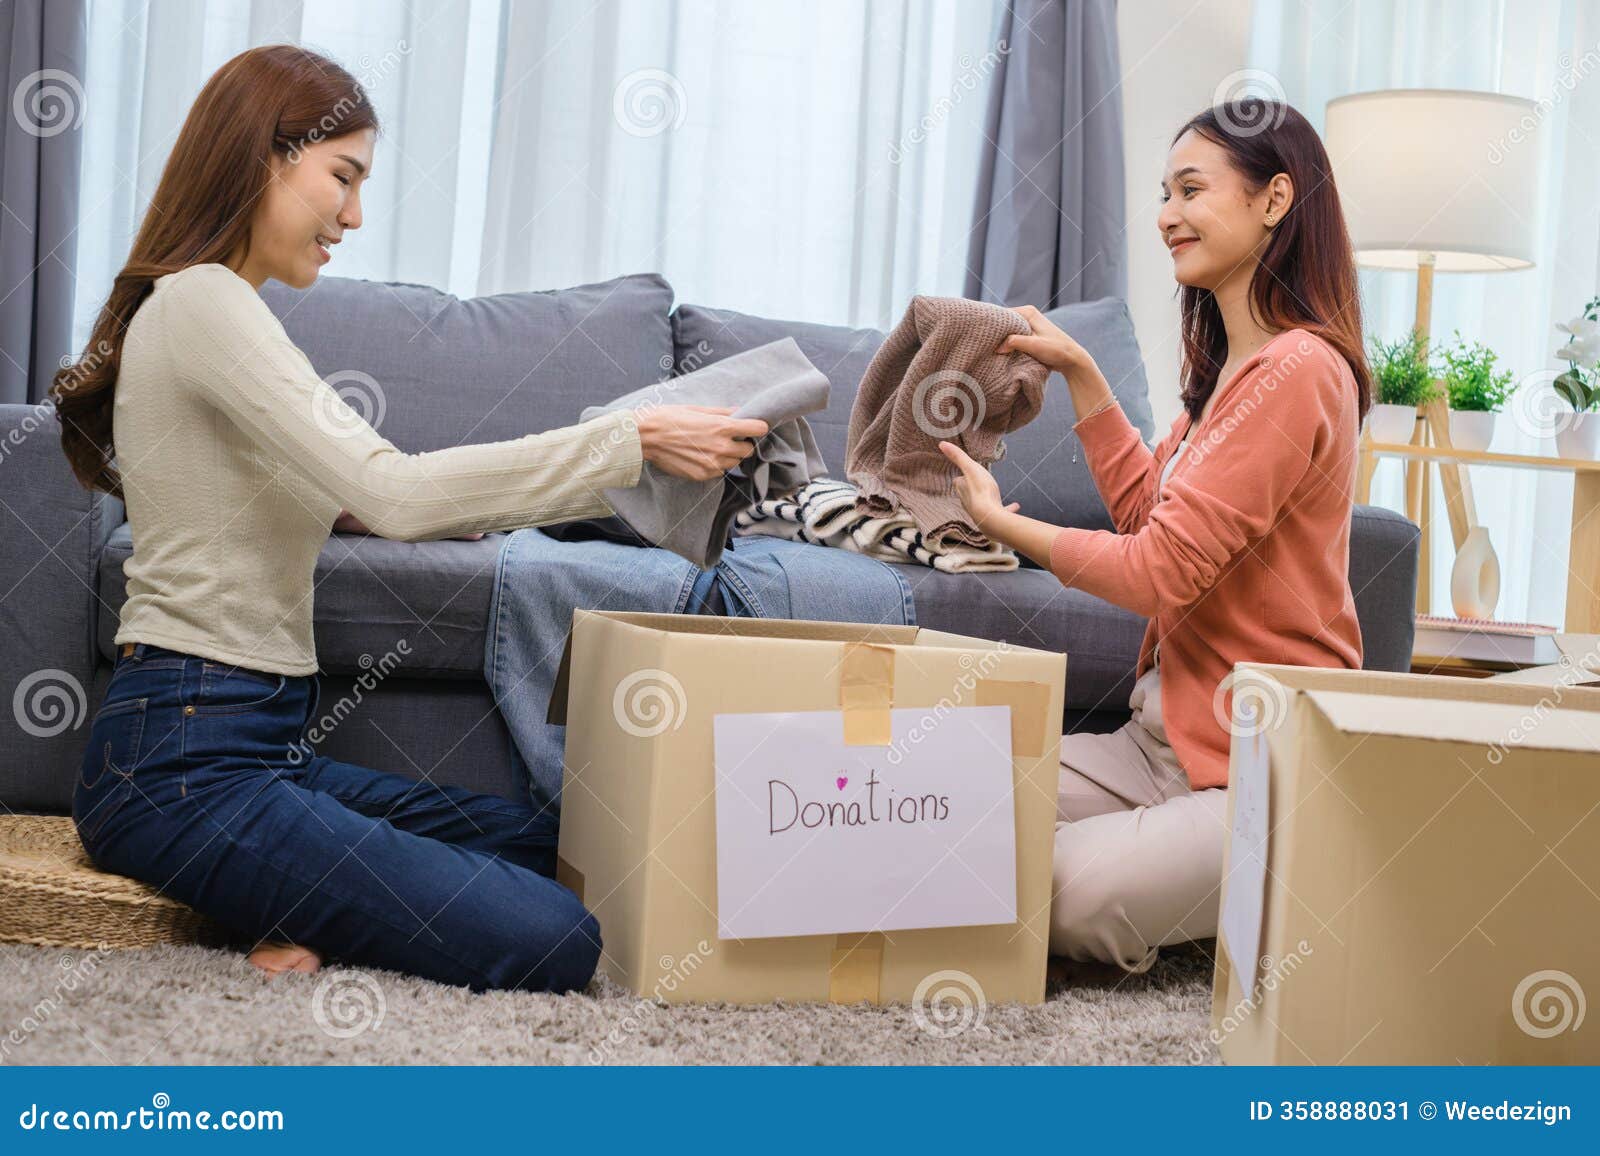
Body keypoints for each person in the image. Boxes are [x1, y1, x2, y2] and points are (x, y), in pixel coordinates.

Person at [51, 44, 768, 991]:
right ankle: (286, 898)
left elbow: (301, 488)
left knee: (560, 845)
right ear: (263, 158)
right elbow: (399, 491)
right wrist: (628, 441)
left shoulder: (221, 307)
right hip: (179, 763)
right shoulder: (204, 302)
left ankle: (293, 894)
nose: (353, 215)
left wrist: (347, 508)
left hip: (258, 749)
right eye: (342, 177)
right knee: (556, 936)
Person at [941, 99, 1370, 973]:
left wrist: (1006, 526)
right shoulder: (1227, 377)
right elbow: (1148, 514)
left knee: (1057, 888)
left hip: (1258, 768)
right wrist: (1083, 373)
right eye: (1163, 194)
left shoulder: (1299, 369)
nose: (1167, 215)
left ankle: (1263, 882)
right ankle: (1181, 877)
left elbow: (1158, 571)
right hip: (1154, 747)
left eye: (1190, 190)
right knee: (944, 804)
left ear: (1275, 199)